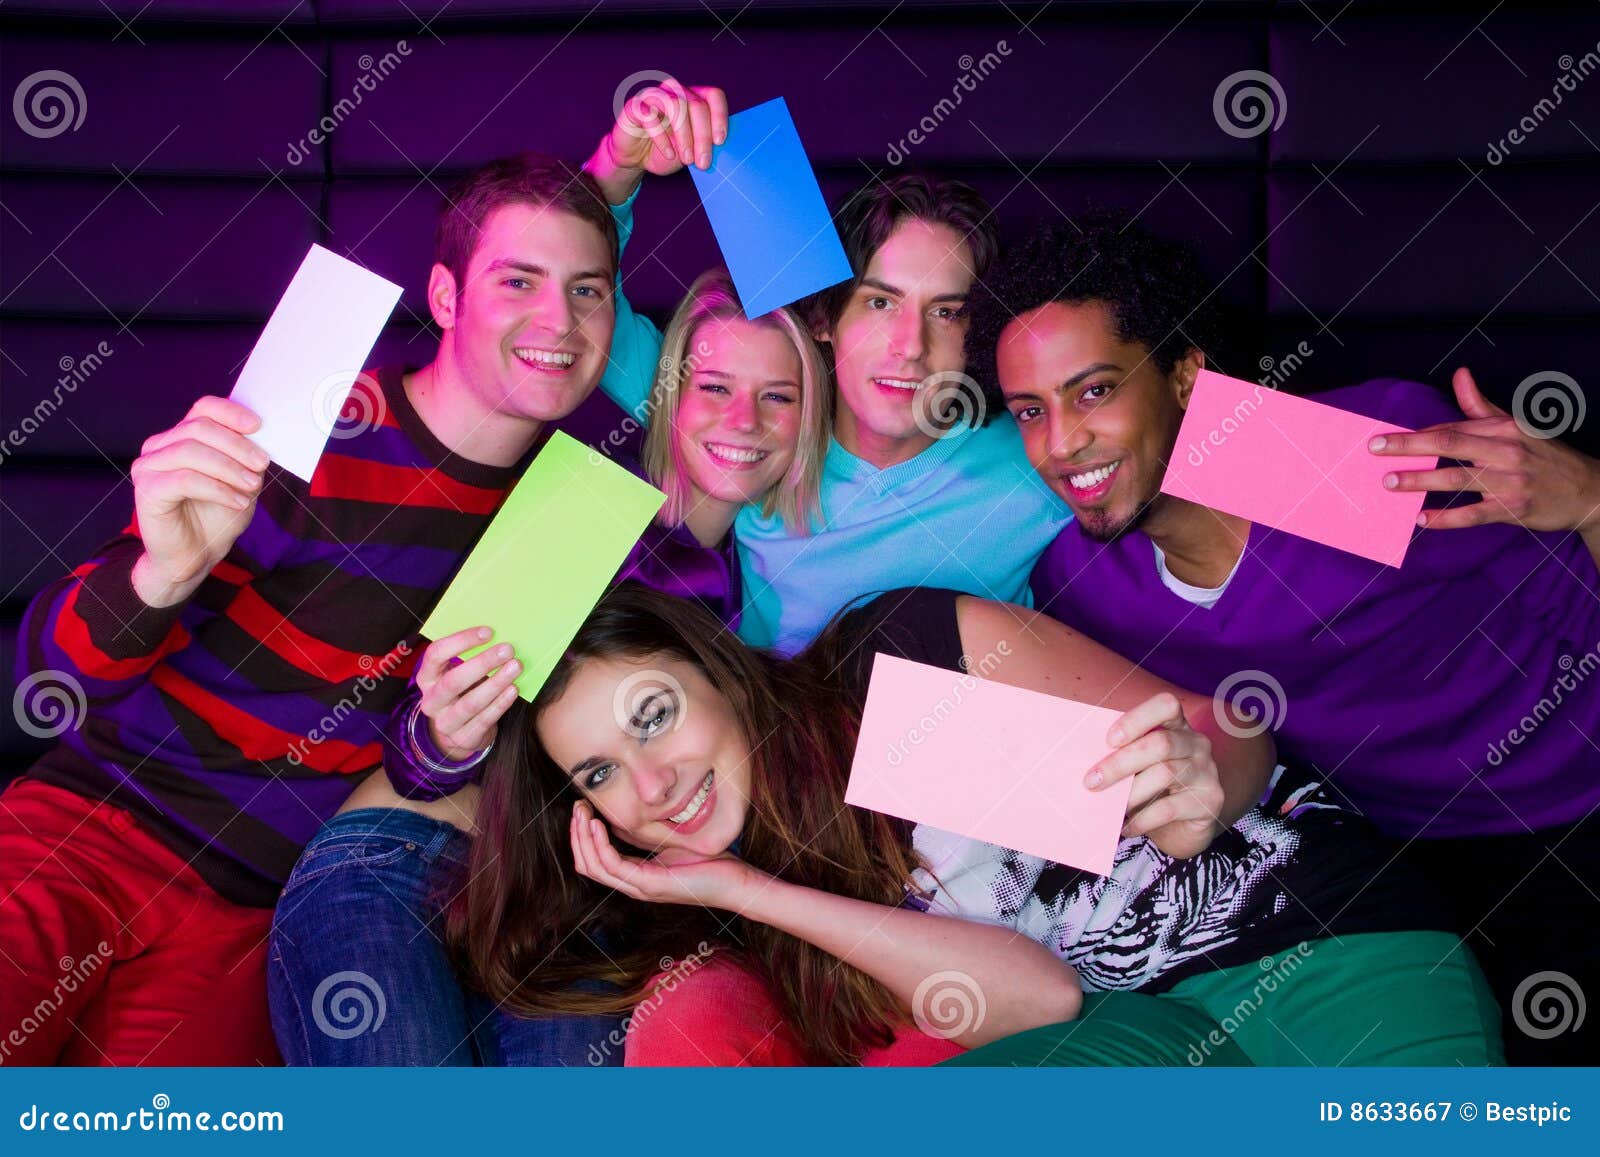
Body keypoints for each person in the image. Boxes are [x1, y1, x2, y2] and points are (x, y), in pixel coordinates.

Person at [0, 150, 645, 1065]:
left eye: (588, 291)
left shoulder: (564, 519)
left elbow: (416, 771)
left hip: (259, 913)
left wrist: (444, 742)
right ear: (447, 297)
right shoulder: (318, 417)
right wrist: (161, 572)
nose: (559, 320)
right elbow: (48, 678)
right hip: (87, 825)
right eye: (519, 281)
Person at [982, 216, 1600, 1065]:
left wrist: (1591, 495)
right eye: (1029, 411)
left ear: (1187, 375)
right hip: (1386, 868)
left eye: (1093, 391)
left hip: (1572, 806)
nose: (1060, 443)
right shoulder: (1079, 582)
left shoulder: (1361, 455)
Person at [444, 583, 1500, 1067]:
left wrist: (1201, 784)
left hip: (1318, 943)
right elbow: (1043, 999)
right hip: (1141, 1028)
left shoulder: (891, 661)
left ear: (719, 671)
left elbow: (1224, 727)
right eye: (601, 771)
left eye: (655, 715)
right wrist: (747, 893)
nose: (653, 780)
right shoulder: (739, 905)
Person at [268, 265, 833, 1065]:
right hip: (407, 857)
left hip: (570, 909)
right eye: (714, 387)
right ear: (669, 396)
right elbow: (416, 756)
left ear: (810, 420)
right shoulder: (584, 514)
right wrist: (445, 734)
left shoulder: (764, 589)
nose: (744, 419)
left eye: (779, 395)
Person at [588, 79, 1072, 654]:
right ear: (826, 319)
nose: (910, 345)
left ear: (978, 332)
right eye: (880, 303)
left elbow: (1157, 442)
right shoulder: (763, 430)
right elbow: (585, 321)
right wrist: (617, 166)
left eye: (946, 312)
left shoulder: (1037, 451)